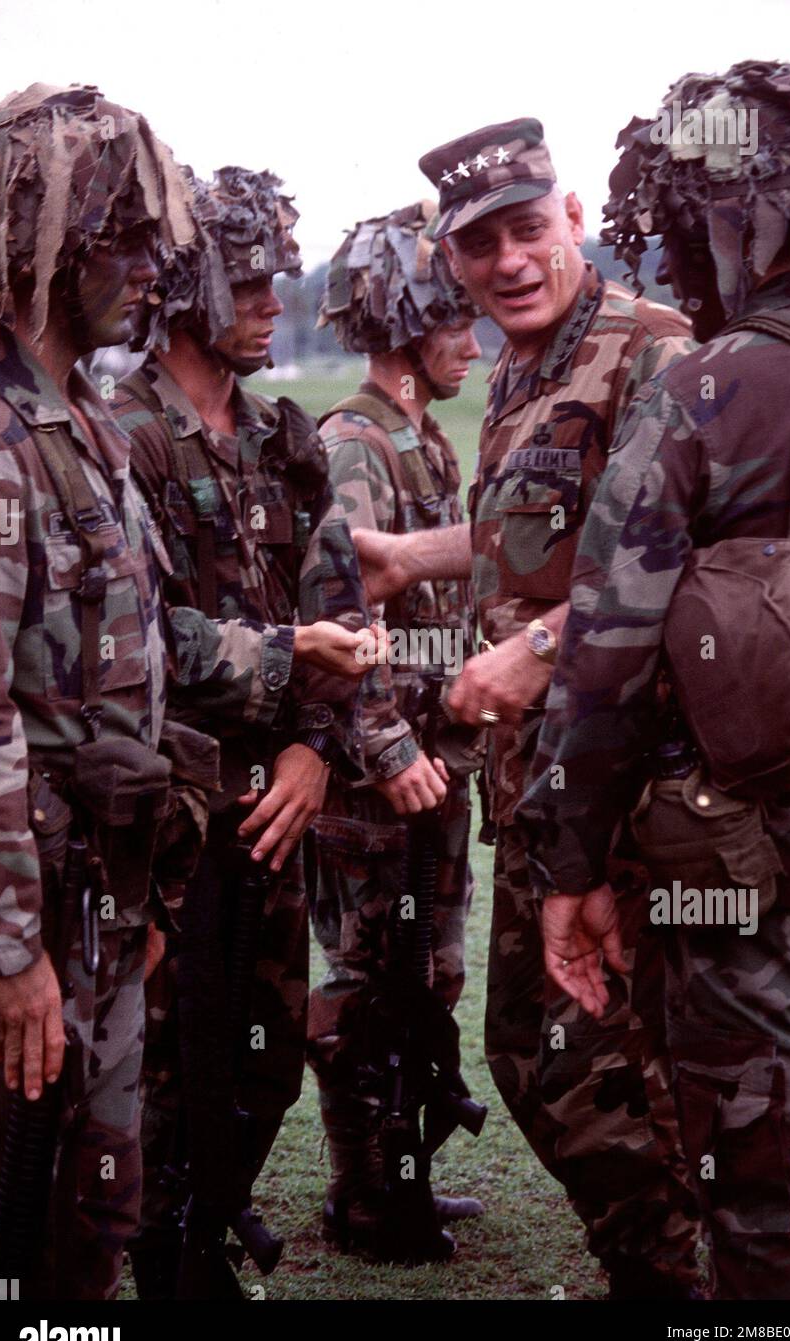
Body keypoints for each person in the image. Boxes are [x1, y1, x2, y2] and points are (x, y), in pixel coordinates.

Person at [0, 87, 370, 1300]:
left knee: (93, 1221)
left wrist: (278, 652)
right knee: (6, 1230)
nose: (154, 269)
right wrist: (2, 950)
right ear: (45, 235)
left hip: (101, 890)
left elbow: (145, 632)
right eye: (124, 239)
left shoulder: (74, 421)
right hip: (22, 923)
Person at [516, 61, 790, 1301]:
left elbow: (601, 662)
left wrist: (570, 868)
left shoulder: (700, 393)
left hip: (747, 885)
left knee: (766, 1193)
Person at [354, 118, 703, 1296]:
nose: (506, 262)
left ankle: (690, 1289)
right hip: (542, 795)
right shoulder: (519, 368)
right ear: (449, 263)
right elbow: (544, 536)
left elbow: (698, 555)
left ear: (572, 221)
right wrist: (415, 555)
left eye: (524, 231)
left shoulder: (655, 353)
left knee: (617, 1076)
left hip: (638, 794)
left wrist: (543, 650)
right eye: (477, 247)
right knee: (534, 1056)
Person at [112, 165, 372, 1297]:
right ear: (182, 288)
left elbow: (340, 608)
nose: (277, 301)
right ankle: (166, 1257)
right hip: (170, 811)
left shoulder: (282, 434)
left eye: (278, 277)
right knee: (166, 1065)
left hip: (276, 806)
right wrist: (279, 667)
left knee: (262, 1059)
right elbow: (128, 633)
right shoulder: (121, 437)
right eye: (252, 281)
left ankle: (206, 1230)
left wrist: (316, 746)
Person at [307, 201, 483, 1259]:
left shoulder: (419, 441)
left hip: (431, 775)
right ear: (409, 318)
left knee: (429, 979)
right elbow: (340, 623)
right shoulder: (355, 446)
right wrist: (385, 747)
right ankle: (363, 1195)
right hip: (377, 788)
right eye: (455, 318)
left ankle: (403, 1178)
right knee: (369, 983)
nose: (475, 338)